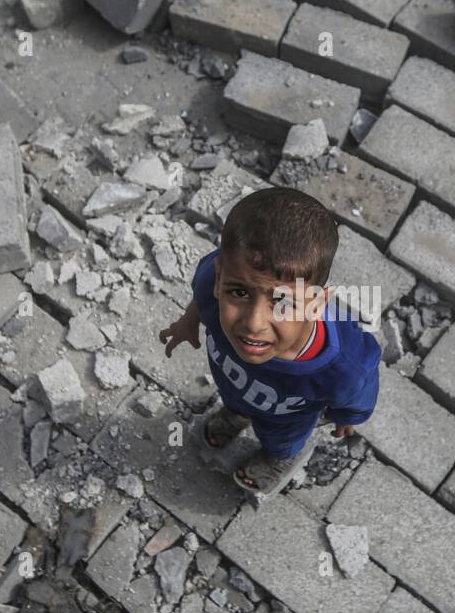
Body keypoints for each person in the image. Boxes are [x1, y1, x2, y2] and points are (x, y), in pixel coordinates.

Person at [158, 185, 382, 495]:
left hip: (284, 420)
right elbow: (201, 297)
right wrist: (188, 321)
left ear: (317, 304)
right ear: (220, 277)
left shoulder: (343, 364)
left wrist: (348, 417)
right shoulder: (212, 279)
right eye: (238, 293)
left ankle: (278, 458)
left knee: (279, 440)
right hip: (234, 386)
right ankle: (237, 414)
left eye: (283, 302)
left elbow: (360, 390)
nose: (253, 323)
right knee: (234, 400)